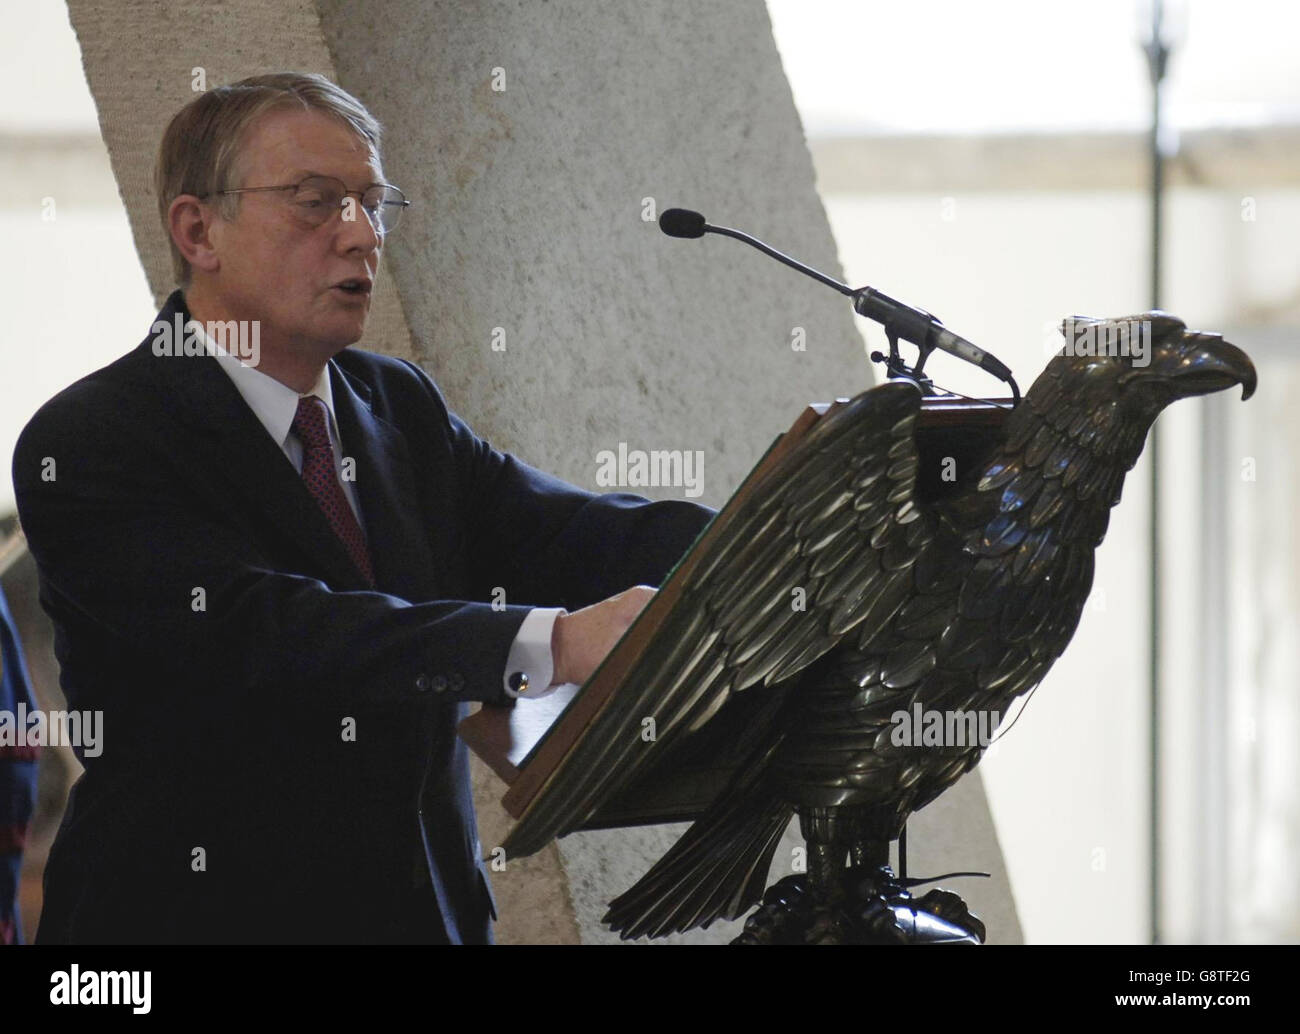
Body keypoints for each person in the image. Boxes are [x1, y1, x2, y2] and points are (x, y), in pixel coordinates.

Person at [12, 72, 714, 944]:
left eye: (374, 203)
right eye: (317, 203)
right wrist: (551, 644)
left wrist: (779, 532)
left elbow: (566, 532)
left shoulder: (394, 401)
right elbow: (276, 634)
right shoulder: (93, 439)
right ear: (198, 231)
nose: (361, 234)